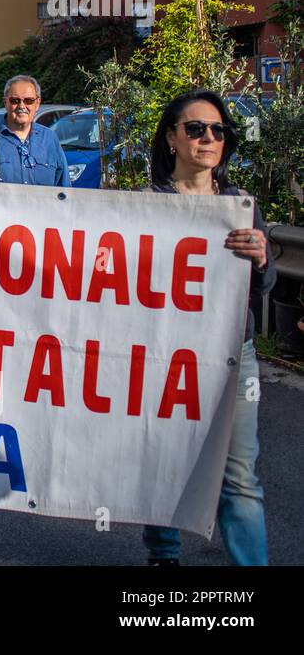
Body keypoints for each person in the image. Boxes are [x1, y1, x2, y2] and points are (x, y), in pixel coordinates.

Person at [140, 90, 273, 566]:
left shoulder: (240, 205)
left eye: (218, 130)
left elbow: (265, 285)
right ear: (172, 138)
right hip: (166, 355)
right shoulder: (146, 207)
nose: (208, 139)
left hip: (235, 357)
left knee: (239, 477)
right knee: (166, 461)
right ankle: (163, 553)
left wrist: (259, 259)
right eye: (196, 129)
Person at [0, 75, 69, 186]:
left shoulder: (49, 139)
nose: (21, 106)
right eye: (15, 100)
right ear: (5, 103)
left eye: (28, 100)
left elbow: (64, 190)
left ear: (37, 103)